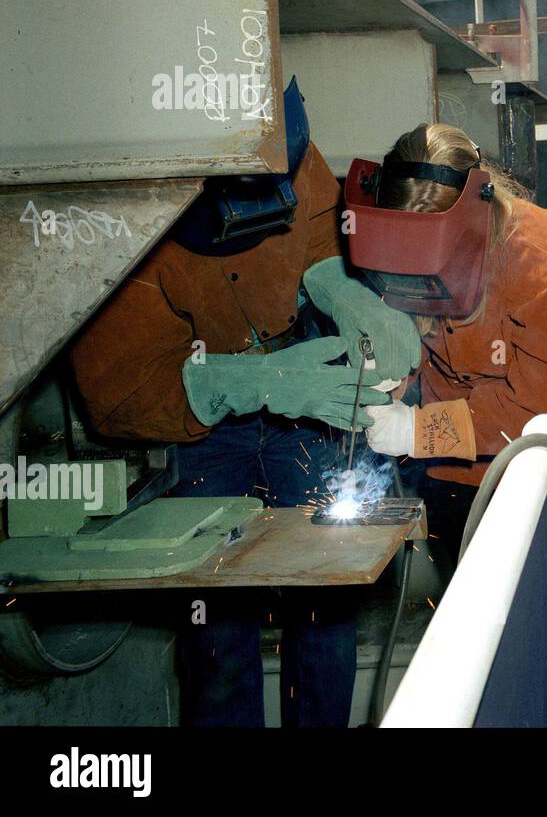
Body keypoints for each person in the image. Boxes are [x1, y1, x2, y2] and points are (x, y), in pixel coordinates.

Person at [70, 78, 415, 727]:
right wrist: (243, 382)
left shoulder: (281, 137)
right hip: (204, 432)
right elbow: (121, 393)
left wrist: (354, 298)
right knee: (217, 631)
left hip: (306, 401)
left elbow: (319, 242)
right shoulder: (109, 218)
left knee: (327, 600)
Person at [347, 123, 547, 547]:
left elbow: (538, 409)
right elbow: (409, 331)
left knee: (526, 602)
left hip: (533, 466)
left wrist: (415, 430)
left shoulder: (540, 255)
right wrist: (392, 374)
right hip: (448, 466)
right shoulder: (390, 237)